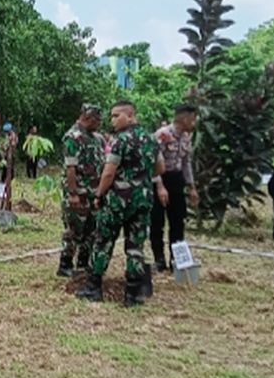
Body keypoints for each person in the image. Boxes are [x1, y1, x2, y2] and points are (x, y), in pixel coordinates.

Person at [77, 101, 163, 306]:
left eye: (117, 116)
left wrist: (99, 194)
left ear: (130, 116)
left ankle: (93, 287)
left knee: (103, 241)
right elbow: (160, 167)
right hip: (143, 199)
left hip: (119, 200)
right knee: (135, 246)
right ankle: (133, 294)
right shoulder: (151, 139)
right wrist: (141, 177)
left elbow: (108, 173)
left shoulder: (120, 141)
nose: (112, 120)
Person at [151, 104, 199, 272]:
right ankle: (159, 260)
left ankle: (176, 261)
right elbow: (153, 162)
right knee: (157, 222)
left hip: (176, 180)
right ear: (184, 118)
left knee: (178, 221)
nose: (194, 123)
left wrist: (191, 187)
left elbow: (186, 163)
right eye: (192, 119)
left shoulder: (186, 138)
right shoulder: (162, 135)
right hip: (160, 180)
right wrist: (160, 186)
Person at [58, 104, 103, 277]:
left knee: (91, 230)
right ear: (88, 118)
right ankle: (65, 264)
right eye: (97, 120)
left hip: (93, 193)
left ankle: (83, 263)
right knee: (74, 230)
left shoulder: (96, 138)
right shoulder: (73, 137)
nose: (99, 124)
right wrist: (73, 193)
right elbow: (71, 168)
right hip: (79, 192)